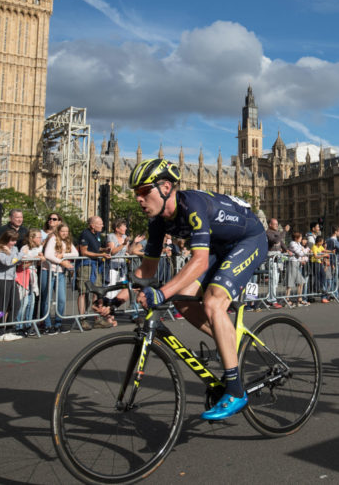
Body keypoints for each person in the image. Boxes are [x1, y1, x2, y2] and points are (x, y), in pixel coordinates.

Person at [97, 158, 268, 421]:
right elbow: (147, 270)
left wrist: (161, 293)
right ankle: (229, 345)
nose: (139, 200)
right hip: (220, 247)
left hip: (249, 239)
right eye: (136, 194)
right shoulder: (157, 222)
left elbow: (198, 261)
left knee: (212, 302)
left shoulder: (193, 205)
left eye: (144, 191)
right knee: (181, 300)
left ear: (166, 187)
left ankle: (235, 390)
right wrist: (116, 300)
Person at [42, 223, 76, 334]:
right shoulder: (53, 239)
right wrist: (61, 262)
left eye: (66, 231)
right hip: (48, 271)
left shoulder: (66, 241)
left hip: (60, 273)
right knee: (47, 299)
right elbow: (48, 254)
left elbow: (76, 253)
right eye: (63, 231)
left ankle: (58, 323)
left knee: (61, 299)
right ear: (58, 231)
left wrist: (63, 256)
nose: (65, 233)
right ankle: (47, 324)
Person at [0, 230, 23, 342]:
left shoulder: (14, 249)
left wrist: (16, 255)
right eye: (12, 240)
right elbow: (8, 262)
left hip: (11, 278)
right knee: (1, 305)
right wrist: (19, 254)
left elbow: (16, 262)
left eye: (15, 240)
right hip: (0, 278)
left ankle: (9, 329)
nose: (14, 243)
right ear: (6, 239)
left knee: (16, 303)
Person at [77, 216, 110, 318]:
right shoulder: (85, 234)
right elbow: (84, 252)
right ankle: (82, 318)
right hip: (86, 265)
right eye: (99, 224)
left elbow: (95, 248)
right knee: (83, 292)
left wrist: (104, 249)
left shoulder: (97, 234)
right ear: (92, 225)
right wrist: (101, 255)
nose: (102, 225)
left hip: (96, 265)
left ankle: (97, 317)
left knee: (97, 291)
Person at [15, 229, 43, 336]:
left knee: (32, 302)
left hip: (33, 275)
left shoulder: (39, 248)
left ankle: (28, 324)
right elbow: (22, 265)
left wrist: (40, 259)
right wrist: (34, 259)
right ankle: (19, 325)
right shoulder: (25, 248)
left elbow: (41, 261)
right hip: (24, 275)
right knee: (24, 301)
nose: (40, 239)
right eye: (38, 237)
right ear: (32, 238)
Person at [285, 232, 310, 307]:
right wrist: (305, 250)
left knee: (301, 282)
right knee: (290, 282)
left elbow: (303, 252)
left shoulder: (298, 244)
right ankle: (287, 299)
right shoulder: (292, 244)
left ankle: (299, 300)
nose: (301, 239)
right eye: (300, 237)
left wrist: (304, 251)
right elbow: (300, 253)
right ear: (296, 238)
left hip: (297, 263)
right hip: (292, 263)